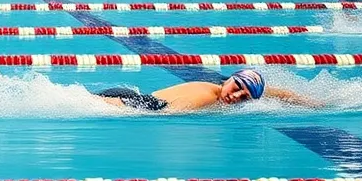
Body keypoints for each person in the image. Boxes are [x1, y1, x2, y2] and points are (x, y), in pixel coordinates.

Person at [95, 70, 319, 113]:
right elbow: (163, 113)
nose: (236, 96)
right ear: (230, 78)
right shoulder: (206, 96)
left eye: (245, 97)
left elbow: (274, 93)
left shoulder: (220, 86)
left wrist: (308, 103)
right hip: (124, 101)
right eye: (237, 87)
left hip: (132, 96)